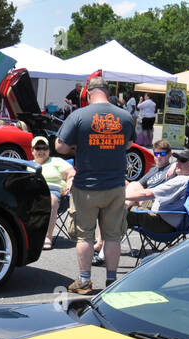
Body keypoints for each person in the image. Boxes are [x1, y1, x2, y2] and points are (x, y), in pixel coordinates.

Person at [56, 75, 135, 293]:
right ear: (108, 93)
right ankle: (111, 281)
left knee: (85, 236)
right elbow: (128, 144)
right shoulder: (125, 116)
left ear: (89, 94)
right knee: (112, 236)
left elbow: (61, 146)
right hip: (116, 187)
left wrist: (78, 146)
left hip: (87, 187)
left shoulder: (79, 115)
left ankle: (84, 281)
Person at [125, 148, 189, 227]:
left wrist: (121, 197)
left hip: (161, 222)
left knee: (117, 214)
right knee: (133, 188)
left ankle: (113, 237)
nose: (177, 164)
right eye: (177, 160)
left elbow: (147, 194)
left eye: (182, 161)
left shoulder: (181, 181)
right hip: (179, 224)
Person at [31, 135, 74, 250]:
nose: (41, 151)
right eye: (38, 148)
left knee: (51, 199)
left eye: (44, 148)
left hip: (53, 191)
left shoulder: (56, 161)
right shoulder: (28, 165)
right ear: (32, 151)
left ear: (49, 150)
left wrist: (69, 184)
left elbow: (71, 174)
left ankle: (47, 237)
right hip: (32, 193)